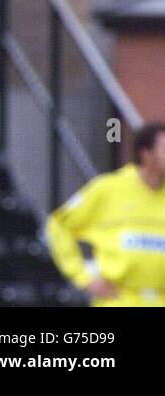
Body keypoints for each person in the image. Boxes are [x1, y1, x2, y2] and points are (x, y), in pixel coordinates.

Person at [47, 121, 165, 306]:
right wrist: (82, 277)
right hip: (118, 299)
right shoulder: (108, 188)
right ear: (146, 154)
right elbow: (59, 225)